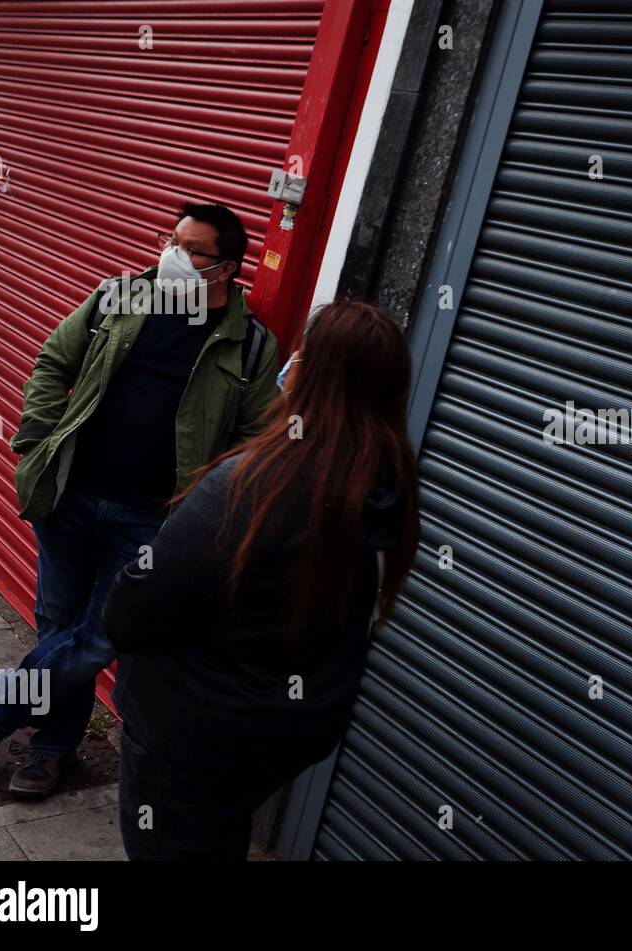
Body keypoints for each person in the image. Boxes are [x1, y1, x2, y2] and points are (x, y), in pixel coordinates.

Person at [0, 202, 280, 800]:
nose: (171, 255)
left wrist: (204, 513)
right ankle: (50, 752)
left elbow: (251, 444)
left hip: (151, 518)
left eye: (191, 250)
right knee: (60, 624)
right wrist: (35, 443)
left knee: (101, 636)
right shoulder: (123, 297)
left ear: (226, 268)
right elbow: (55, 362)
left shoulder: (250, 345)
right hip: (73, 494)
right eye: (171, 240)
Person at [102, 300, 420, 861]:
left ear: (311, 376)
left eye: (301, 354)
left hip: (193, 732)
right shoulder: (383, 485)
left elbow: (132, 608)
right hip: (280, 732)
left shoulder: (251, 484)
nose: (288, 362)